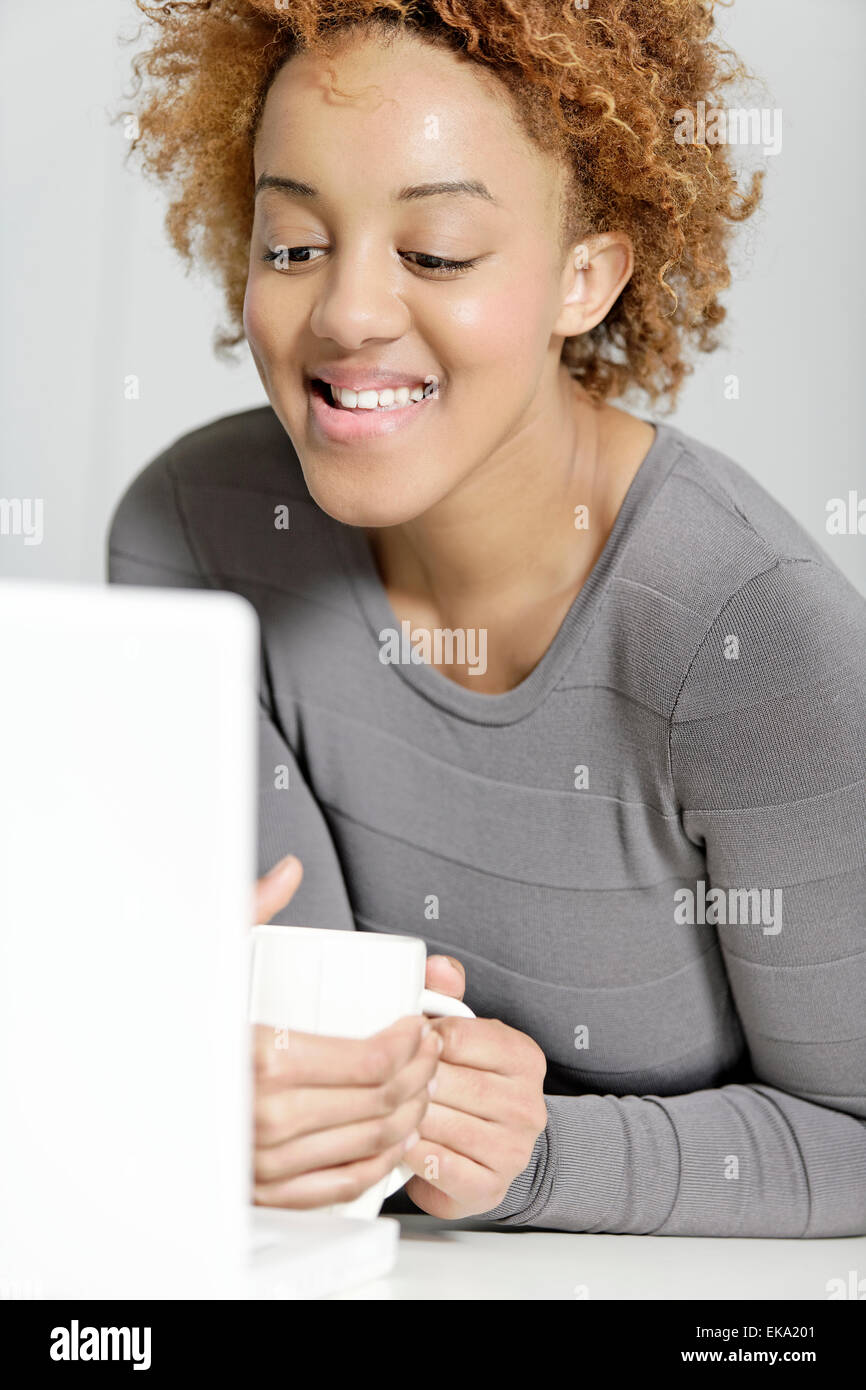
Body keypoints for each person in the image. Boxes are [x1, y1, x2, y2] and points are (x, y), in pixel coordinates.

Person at [108, 0, 866, 1235]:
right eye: (294, 243)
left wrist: (549, 1156)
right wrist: (183, 1069)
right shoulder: (196, 533)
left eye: (438, 252)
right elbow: (301, 1042)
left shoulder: (749, 639)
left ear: (585, 277)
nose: (347, 314)